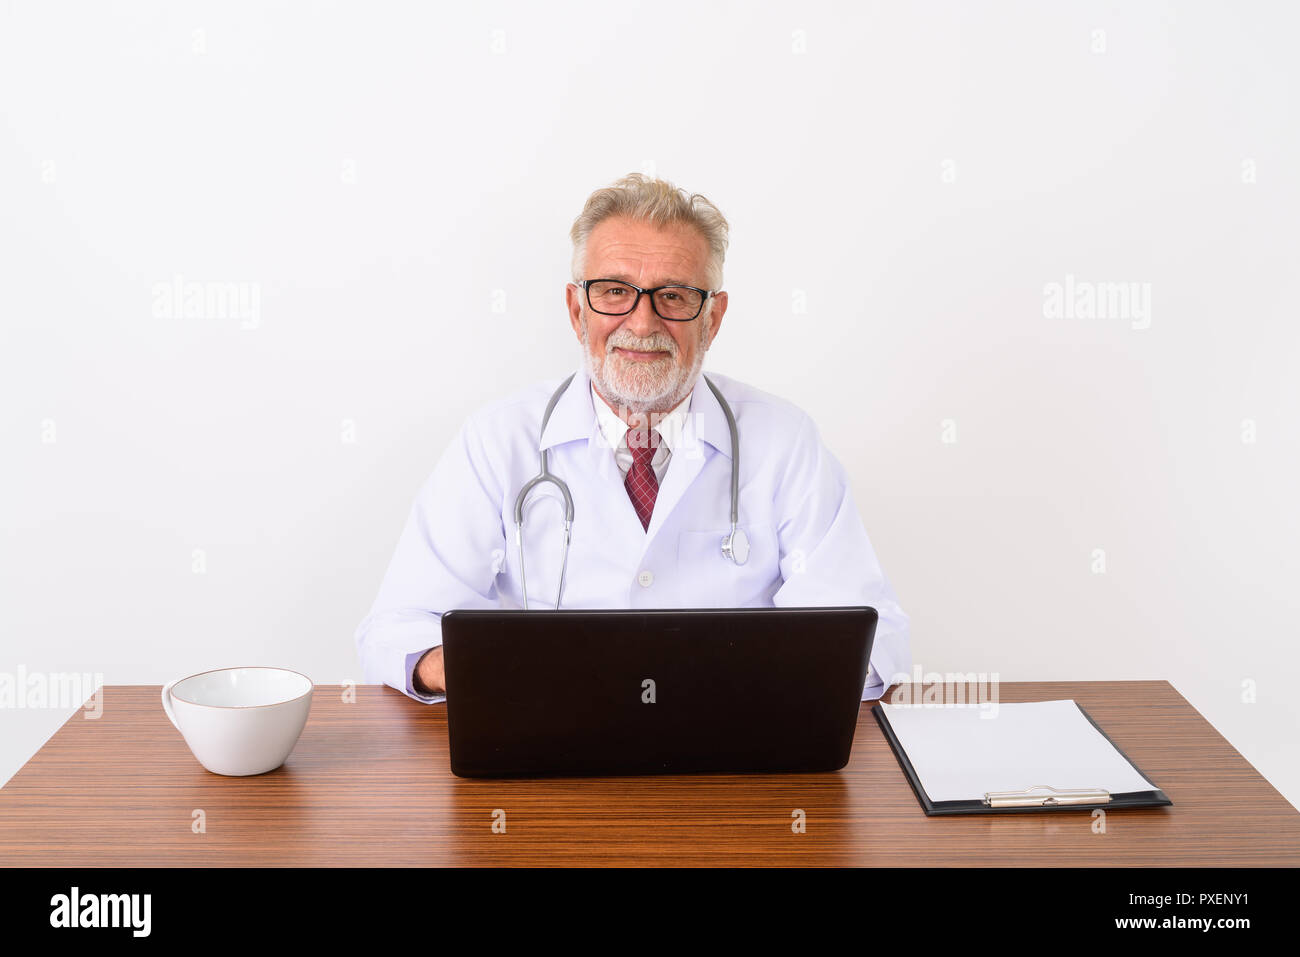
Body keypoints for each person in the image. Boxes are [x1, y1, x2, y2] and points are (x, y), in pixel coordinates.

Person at [355, 172, 909, 703]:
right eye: (615, 291)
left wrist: (750, 681)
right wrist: (496, 672)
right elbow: (397, 629)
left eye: (673, 296)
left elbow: (872, 636)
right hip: (547, 747)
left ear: (711, 319)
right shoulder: (497, 440)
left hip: (730, 751)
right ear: (577, 310)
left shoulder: (786, 442)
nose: (641, 324)